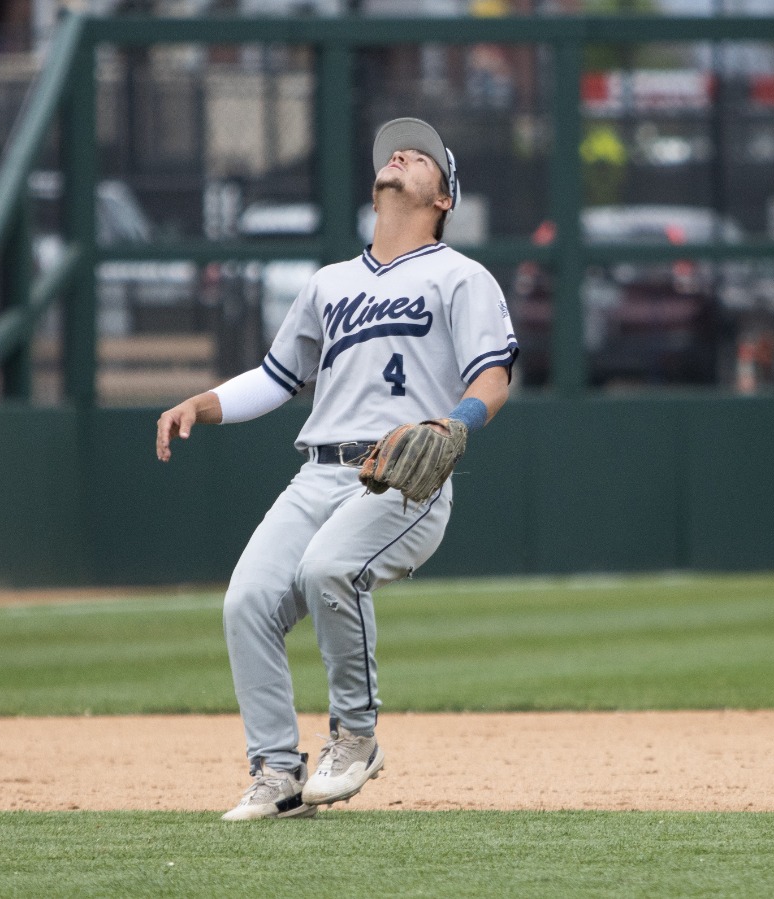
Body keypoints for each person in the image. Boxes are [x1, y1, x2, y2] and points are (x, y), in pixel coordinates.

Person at [155, 118, 516, 821]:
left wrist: (453, 424)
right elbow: (276, 376)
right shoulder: (330, 283)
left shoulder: (461, 276)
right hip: (318, 471)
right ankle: (278, 774)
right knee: (247, 603)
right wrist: (204, 402)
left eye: (421, 157)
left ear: (444, 198)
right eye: (393, 152)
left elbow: (492, 377)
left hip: (400, 474)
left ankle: (356, 736)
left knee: (329, 570)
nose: (402, 156)